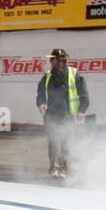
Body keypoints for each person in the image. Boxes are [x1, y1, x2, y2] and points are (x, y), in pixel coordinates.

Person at [35, 47, 90, 179]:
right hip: (51, 115)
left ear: (61, 61)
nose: (51, 62)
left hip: (67, 115)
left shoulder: (75, 74)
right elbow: (40, 94)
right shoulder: (47, 77)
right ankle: (53, 168)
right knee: (53, 142)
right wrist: (41, 103)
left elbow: (84, 94)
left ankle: (63, 169)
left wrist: (82, 110)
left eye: (53, 59)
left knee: (66, 142)